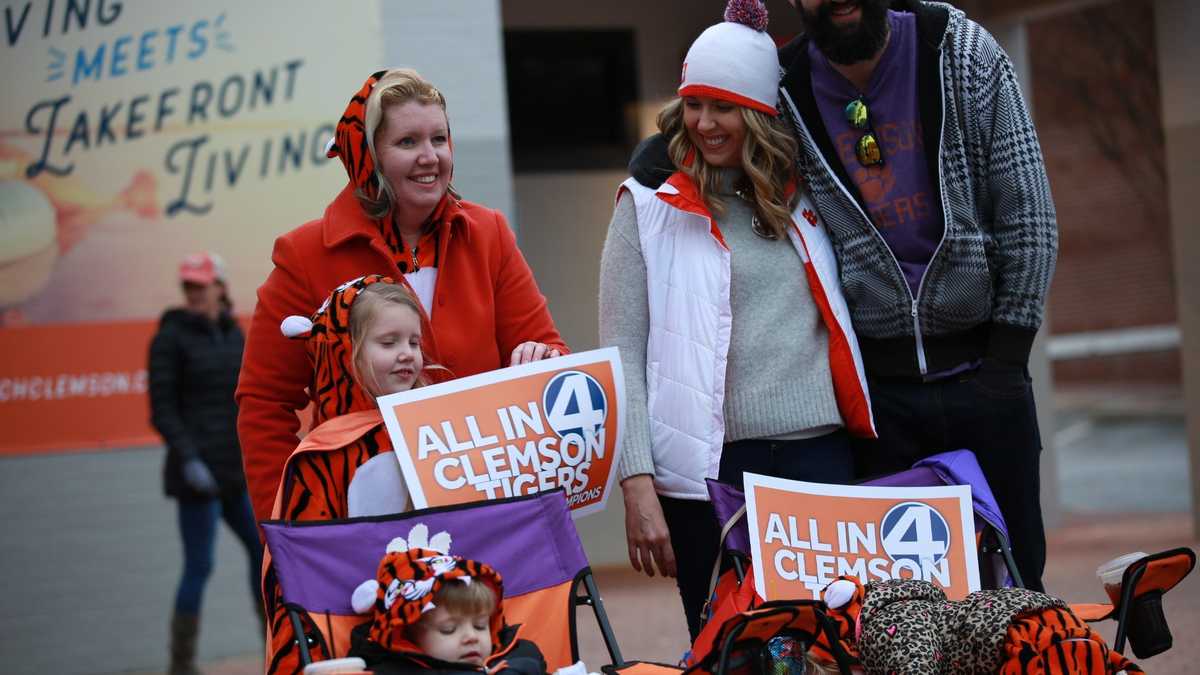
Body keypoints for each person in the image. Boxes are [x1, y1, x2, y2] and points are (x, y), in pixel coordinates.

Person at [629, 0, 1058, 592]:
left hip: (986, 372)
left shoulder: (960, 52)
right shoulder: (785, 85)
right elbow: (719, 124)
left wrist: (1006, 362)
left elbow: (1029, 219)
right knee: (896, 604)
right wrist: (655, 161)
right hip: (880, 403)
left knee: (1017, 582)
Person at [600, 0, 876, 640]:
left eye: (723, 107)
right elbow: (621, 355)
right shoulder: (646, 204)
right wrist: (637, 484)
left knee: (828, 648)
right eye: (694, 104)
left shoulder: (809, 195)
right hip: (708, 477)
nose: (704, 123)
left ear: (759, 113)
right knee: (725, 647)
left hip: (820, 460)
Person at [237, 68, 567, 524]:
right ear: (368, 155)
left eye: (439, 139)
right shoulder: (305, 254)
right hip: (362, 522)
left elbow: (550, 355)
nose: (430, 157)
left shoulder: (489, 233)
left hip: (486, 511)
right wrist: (290, 529)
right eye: (407, 142)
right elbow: (264, 404)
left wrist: (543, 359)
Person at [261, 276, 442, 674]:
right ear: (347, 352)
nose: (407, 354)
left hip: (435, 621)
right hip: (352, 629)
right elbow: (307, 567)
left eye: (414, 342)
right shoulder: (324, 455)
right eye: (388, 342)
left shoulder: (433, 431)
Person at [148, 252, 263, 675]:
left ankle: (274, 649)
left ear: (220, 287)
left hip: (235, 471)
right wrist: (190, 459)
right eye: (189, 286)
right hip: (196, 477)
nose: (194, 293)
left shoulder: (233, 333)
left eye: (201, 285)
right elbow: (162, 410)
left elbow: (247, 399)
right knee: (199, 565)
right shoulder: (169, 338)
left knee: (263, 552)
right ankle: (181, 664)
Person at [348, 547, 548, 675]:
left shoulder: (522, 655)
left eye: (480, 626)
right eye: (449, 629)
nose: (471, 637)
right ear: (409, 637)